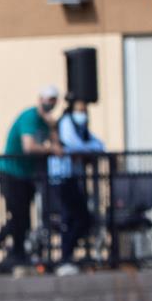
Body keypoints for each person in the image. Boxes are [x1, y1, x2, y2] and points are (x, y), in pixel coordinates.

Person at [0, 86, 62, 267]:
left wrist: (53, 128)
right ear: (40, 99)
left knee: (23, 218)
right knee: (18, 216)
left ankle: (13, 253)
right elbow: (29, 147)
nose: (51, 103)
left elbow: (58, 148)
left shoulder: (45, 122)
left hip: (26, 175)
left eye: (54, 100)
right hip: (12, 172)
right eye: (48, 99)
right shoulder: (30, 117)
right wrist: (50, 149)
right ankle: (7, 252)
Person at [47, 96, 105, 275]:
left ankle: (68, 255)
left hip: (72, 178)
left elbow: (99, 145)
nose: (82, 114)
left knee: (82, 218)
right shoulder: (66, 123)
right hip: (61, 178)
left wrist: (82, 150)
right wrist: (82, 150)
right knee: (71, 217)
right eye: (79, 110)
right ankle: (65, 258)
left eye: (84, 111)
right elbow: (74, 145)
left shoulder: (82, 129)